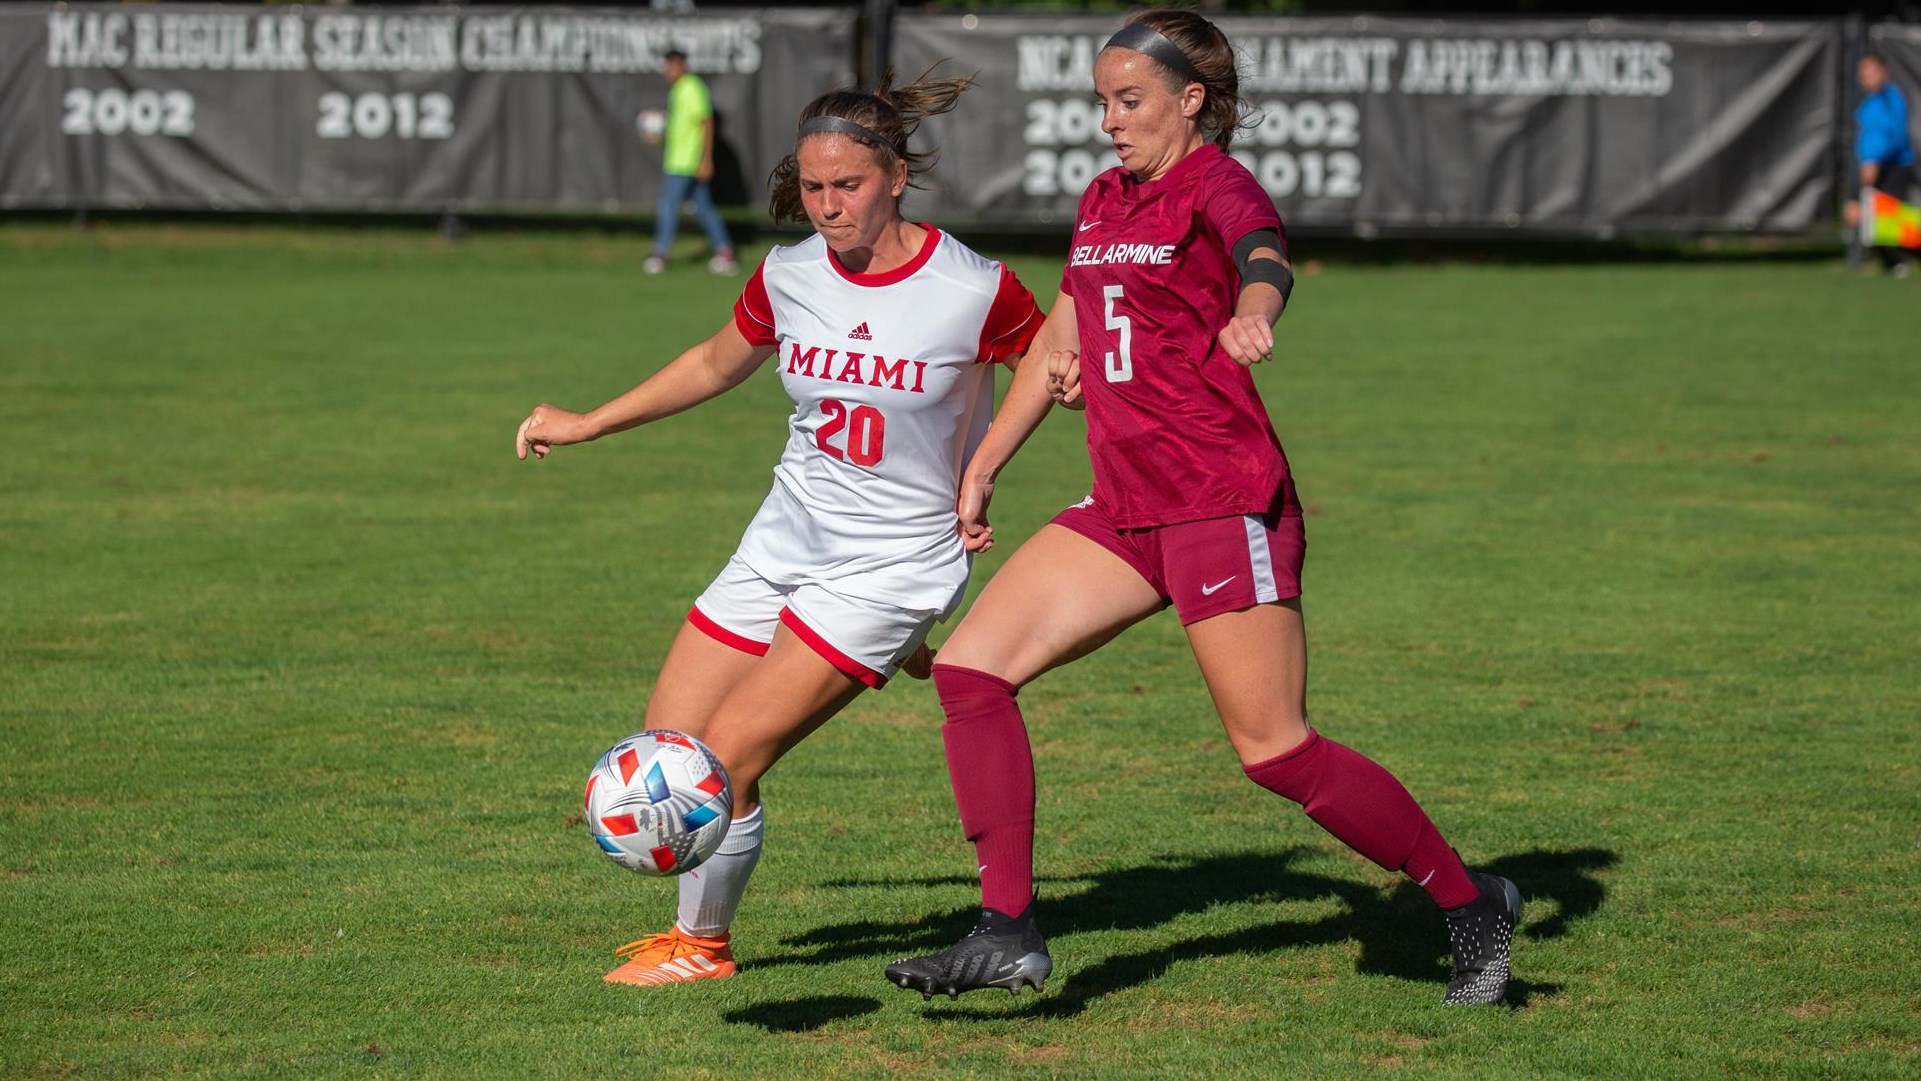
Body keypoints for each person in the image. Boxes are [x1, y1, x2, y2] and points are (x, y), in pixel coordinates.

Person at [882, 8, 1521, 1007]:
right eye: (1100, 101)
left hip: (1222, 502)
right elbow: (1062, 336)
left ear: (1191, 101)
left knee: (1273, 751)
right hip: (1127, 505)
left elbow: (1266, 257)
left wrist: (1255, 311)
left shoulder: (1217, 183)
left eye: (1128, 101)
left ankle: (1468, 899)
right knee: (970, 668)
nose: (1108, 121)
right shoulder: (1102, 197)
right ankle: (1006, 929)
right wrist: (987, 463)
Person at [517, 71, 1047, 986]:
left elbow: (1051, 361)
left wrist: (983, 468)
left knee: (722, 761)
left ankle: (702, 949)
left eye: (847, 185)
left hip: (889, 564)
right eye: (812, 187)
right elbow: (717, 362)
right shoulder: (789, 270)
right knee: (669, 748)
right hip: (783, 541)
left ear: (895, 177)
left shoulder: (973, 287)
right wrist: (589, 421)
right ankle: (698, 935)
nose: (828, 205)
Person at [645, 49, 739, 276]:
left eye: (670, 66)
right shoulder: (677, 91)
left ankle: (660, 254)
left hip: (686, 163)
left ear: (680, 64)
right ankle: (725, 252)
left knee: (668, 206)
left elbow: (706, 123)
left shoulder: (692, 88)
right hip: (678, 161)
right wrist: (662, 136)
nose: (666, 71)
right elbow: (682, 129)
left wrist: (705, 160)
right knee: (704, 208)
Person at [1852, 53, 1916, 276]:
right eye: (1863, 72)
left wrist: (1874, 160)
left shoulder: (1891, 99)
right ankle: (1893, 263)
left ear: (1884, 72)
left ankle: (1898, 262)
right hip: (1875, 167)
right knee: (1876, 219)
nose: (1866, 76)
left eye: (1871, 71)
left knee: (1891, 220)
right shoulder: (1868, 103)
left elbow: (1893, 135)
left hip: (1894, 167)